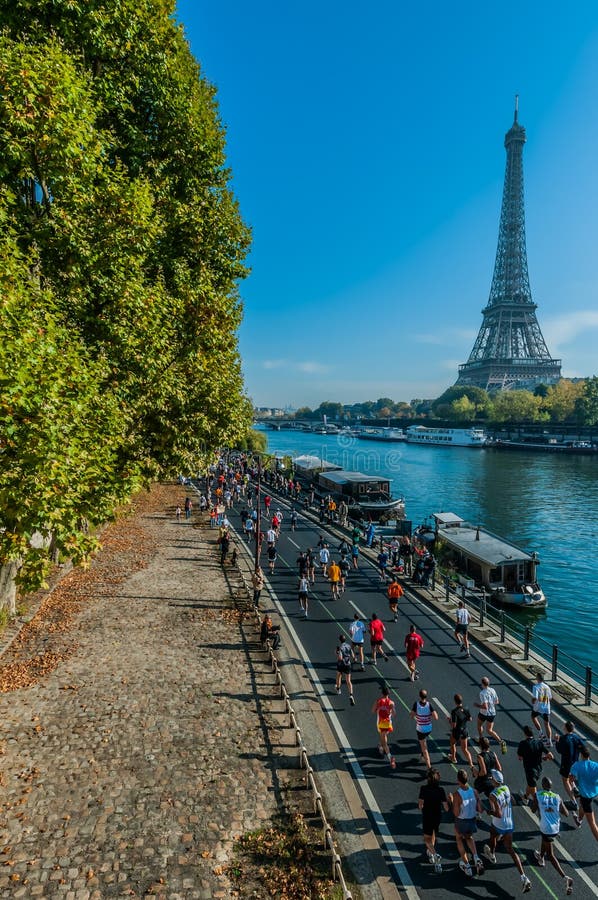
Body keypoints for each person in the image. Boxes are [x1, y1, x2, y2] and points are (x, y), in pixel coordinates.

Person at [482, 770, 532, 893]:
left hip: (499, 823)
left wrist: (489, 812)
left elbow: (498, 814)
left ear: (494, 780)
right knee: (510, 850)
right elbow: (513, 802)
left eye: (491, 778)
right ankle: (523, 877)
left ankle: (492, 855)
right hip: (509, 823)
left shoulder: (493, 795)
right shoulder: (506, 788)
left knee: (493, 836)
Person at [531, 776, 573, 895]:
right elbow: (566, 813)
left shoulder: (538, 795)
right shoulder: (557, 797)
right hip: (555, 828)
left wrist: (539, 806)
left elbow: (533, 810)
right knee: (545, 842)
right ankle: (540, 856)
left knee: (551, 855)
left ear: (543, 785)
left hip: (546, 828)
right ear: (551, 786)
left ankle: (565, 877)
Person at [450, 769, 484, 877]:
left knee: (459, 839)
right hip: (472, 819)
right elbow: (480, 809)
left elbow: (456, 812)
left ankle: (467, 865)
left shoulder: (457, 794)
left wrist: (451, 801)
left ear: (458, 780)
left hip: (461, 821)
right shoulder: (474, 791)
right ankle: (476, 857)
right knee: (469, 838)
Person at [418, 768, 448, 873]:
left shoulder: (423, 789)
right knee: (433, 834)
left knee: (427, 839)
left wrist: (423, 807)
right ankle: (433, 858)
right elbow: (446, 808)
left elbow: (420, 805)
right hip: (437, 817)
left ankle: (435, 854)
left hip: (427, 816)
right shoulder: (441, 790)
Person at [517, 724, 553, 806]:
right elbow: (551, 756)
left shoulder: (523, 743)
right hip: (539, 769)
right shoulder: (539, 743)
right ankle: (525, 797)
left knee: (533, 787)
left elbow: (520, 757)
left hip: (530, 769)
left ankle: (539, 804)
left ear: (525, 734)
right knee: (530, 784)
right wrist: (544, 758)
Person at [555, 721, 585, 810]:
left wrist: (557, 741)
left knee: (565, 780)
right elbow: (583, 748)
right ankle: (575, 788)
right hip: (575, 762)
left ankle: (573, 802)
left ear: (565, 728)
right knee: (571, 777)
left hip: (566, 763)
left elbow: (559, 750)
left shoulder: (564, 738)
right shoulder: (576, 737)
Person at [570, 745, 598, 839]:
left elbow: (571, 779)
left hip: (585, 795)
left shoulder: (577, 765)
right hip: (594, 793)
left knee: (592, 824)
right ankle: (579, 819)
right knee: (582, 804)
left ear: (581, 755)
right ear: (589, 755)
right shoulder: (596, 765)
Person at [474, 676, 507, 753]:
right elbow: (497, 701)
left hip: (484, 713)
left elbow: (485, 706)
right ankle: (501, 741)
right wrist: (491, 703)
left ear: (482, 684)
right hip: (492, 713)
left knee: (479, 725)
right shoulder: (492, 690)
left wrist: (477, 705)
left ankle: (481, 739)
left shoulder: (482, 693)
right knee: (489, 730)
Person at [411, 688, 438, 768]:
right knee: (424, 741)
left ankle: (429, 767)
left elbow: (412, 715)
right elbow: (436, 717)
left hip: (420, 729)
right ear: (426, 696)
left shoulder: (416, 704)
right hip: (429, 728)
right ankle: (423, 754)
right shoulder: (430, 705)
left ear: (420, 696)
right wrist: (428, 716)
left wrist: (417, 716)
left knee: (424, 749)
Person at [474, 736, 502, 810]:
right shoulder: (493, 754)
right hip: (491, 780)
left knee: (474, 794)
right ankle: (494, 810)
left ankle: (478, 812)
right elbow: (499, 768)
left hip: (482, 781)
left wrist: (476, 773)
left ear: (480, 745)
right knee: (491, 797)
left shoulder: (480, 756)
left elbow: (483, 772)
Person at [372, 685, 396, 769]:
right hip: (388, 723)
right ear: (388, 694)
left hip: (380, 723)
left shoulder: (378, 701)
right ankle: (380, 746)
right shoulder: (391, 703)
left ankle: (390, 757)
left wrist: (379, 709)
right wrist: (388, 712)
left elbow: (373, 711)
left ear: (382, 693)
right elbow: (394, 714)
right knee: (384, 737)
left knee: (384, 741)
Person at [446, 694, 474, 767]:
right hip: (464, 730)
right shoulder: (466, 708)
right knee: (465, 749)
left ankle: (453, 758)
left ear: (455, 702)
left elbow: (453, 725)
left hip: (456, 731)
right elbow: (470, 719)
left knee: (452, 743)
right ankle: (471, 764)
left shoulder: (454, 711)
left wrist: (449, 720)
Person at [531, 671, 553, 745]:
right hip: (546, 708)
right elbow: (550, 698)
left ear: (537, 678)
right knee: (547, 724)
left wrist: (533, 702)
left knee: (533, 717)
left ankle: (540, 733)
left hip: (538, 707)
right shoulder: (547, 687)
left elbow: (535, 697)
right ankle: (549, 741)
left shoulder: (536, 687)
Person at [335, 634, 355, 705]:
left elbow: (340, 658)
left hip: (341, 664)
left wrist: (337, 653)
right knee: (348, 681)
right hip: (348, 664)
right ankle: (351, 695)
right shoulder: (349, 646)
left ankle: (338, 689)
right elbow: (352, 654)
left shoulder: (340, 647)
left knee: (338, 675)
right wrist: (354, 658)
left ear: (340, 640)